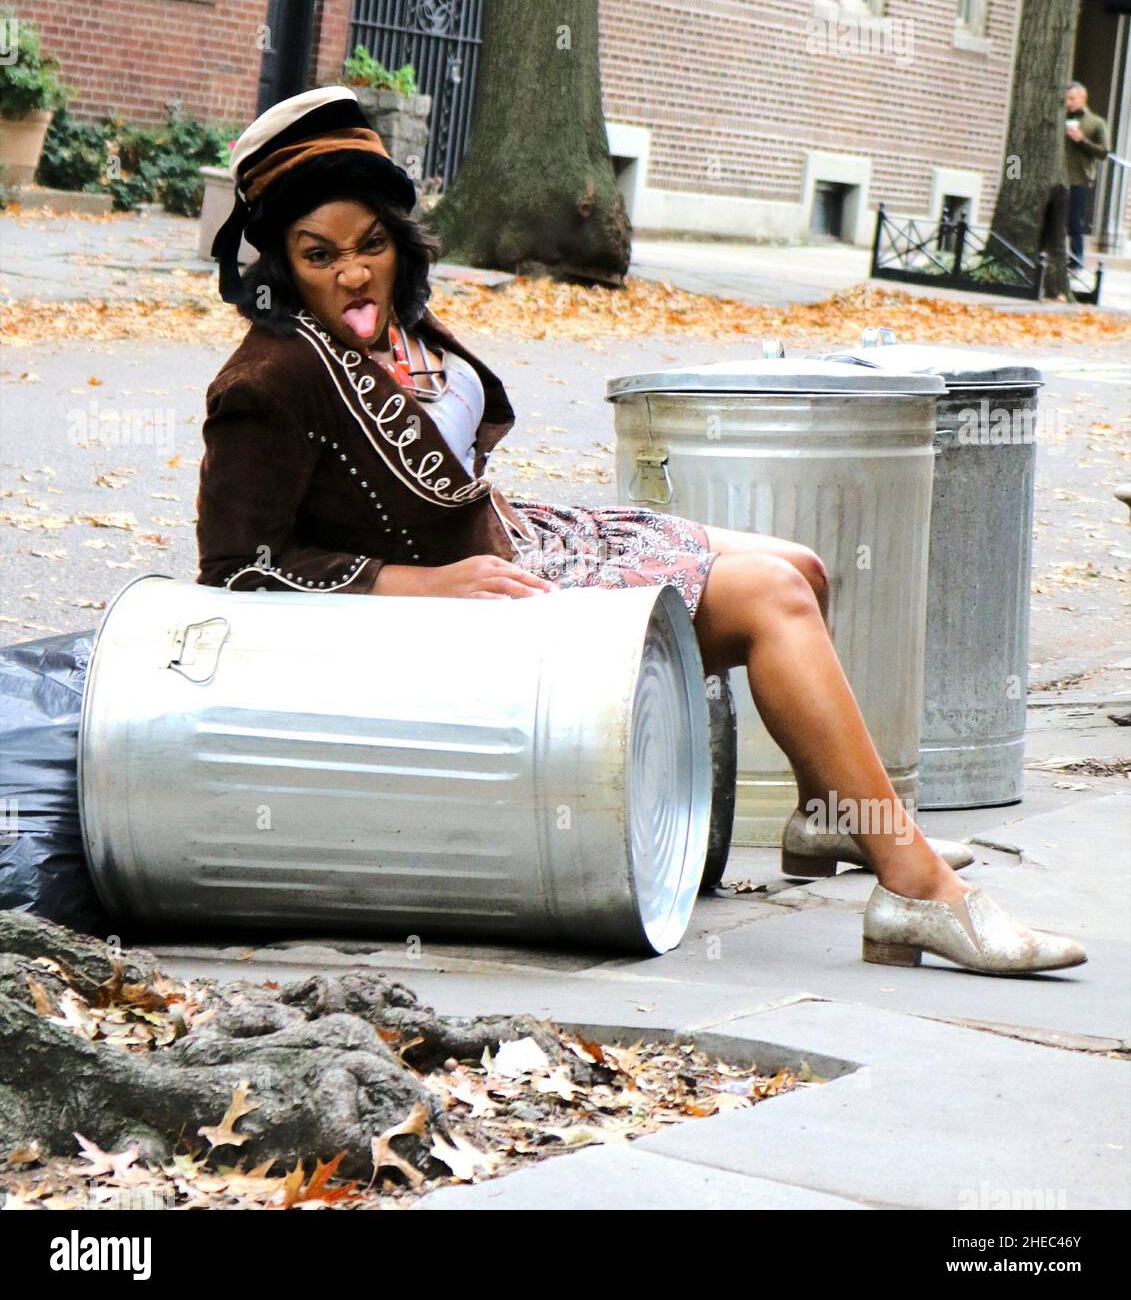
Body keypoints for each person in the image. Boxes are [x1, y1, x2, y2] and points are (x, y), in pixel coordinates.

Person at [199, 87, 1086, 977]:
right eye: (320, 255)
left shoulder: (386, 322)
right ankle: (915, 887)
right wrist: (425, 585)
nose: (354, 274)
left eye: (371, 245)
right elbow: (238, 571)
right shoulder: (267, 381)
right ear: (276, 262)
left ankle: (832, 817)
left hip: (523, 541)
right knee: (773, 600)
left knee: (804, 567)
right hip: (465, 607)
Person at [1065, 81, 1110, 269]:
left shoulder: (1096, 122)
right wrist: (1014, 174)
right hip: (1056, 178)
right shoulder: (1060, 117)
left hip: (1079, 178)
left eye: (1072, 98)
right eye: (1066, 99)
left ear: (1083, 98)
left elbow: (1104, 151)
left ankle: (1076, 261)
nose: (1068, 103)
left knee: (1074, 221)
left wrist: (1081, 140)